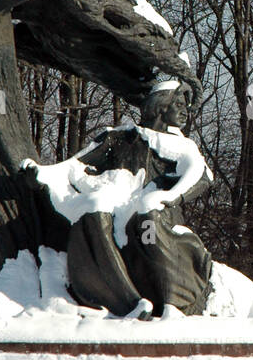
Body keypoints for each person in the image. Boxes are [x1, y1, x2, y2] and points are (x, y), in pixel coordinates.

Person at [65, 81, 214, 318]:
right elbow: (73, 166)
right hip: (117, 209)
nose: (185, 110)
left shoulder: (181, 146)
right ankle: (126, 301)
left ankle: (170, 304)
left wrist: (169, 197)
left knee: (148, 216)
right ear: (160, 107)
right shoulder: (118, 137)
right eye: (178, 104)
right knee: (95, 212)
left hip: (156, 215)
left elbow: (202, 176)